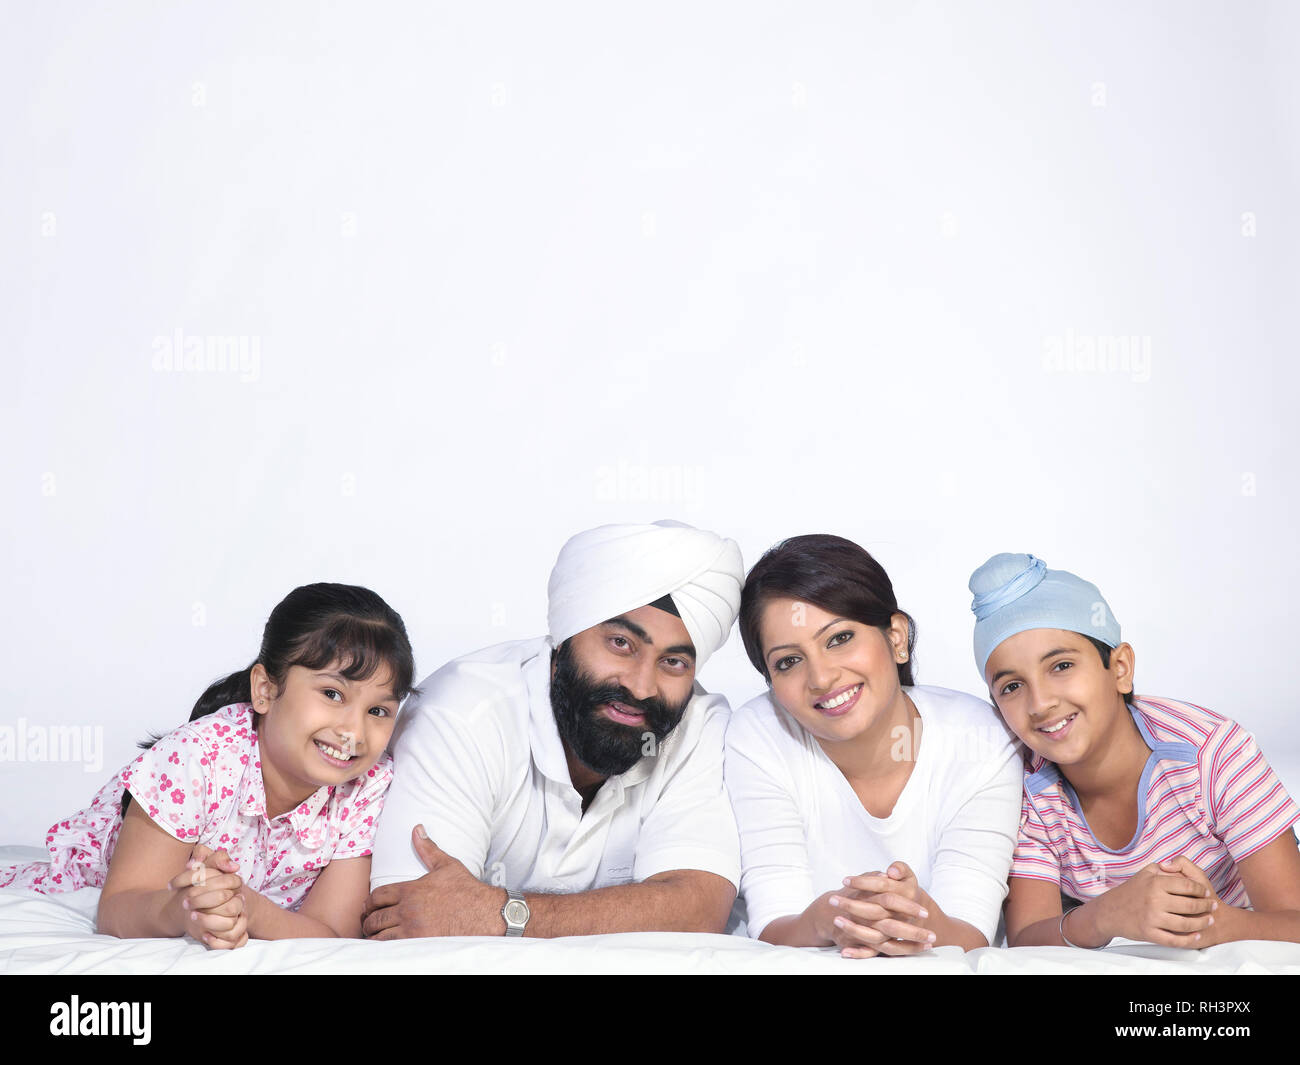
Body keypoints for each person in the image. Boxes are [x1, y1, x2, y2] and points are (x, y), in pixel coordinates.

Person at [363, 519, 745, 939]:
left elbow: (698, 910)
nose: (640, 687)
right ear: (564, 638)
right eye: (621, 644)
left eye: (673, 662)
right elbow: (414, 920)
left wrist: (499, 913)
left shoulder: (698, 726)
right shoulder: (461, 711)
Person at [0, 583, 416, 949]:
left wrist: (251, 909)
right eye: (332, 694)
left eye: (378, 710)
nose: (353, 732)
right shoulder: (197, 758)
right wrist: (182, 909)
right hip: (106, 887)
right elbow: (117, 908)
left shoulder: (366, 786)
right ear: (265, 689)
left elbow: (333, 934)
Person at [969, 552, 1300, 949]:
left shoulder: (1210, 754)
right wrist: (1106, 915)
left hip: (1243, 927)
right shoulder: (1025, 787)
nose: (1040, 703)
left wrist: (1214, 926)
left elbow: (1294, 921)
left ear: (1120, 668)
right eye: (1012, 687)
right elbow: (1026, 938)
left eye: (1061, 666)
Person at [725, 534, 1021, 958]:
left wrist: (915, 917)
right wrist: (829, 919)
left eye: (839, 638)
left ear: (896, 637)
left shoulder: (980, 738)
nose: (821, 678)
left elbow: (971, 932)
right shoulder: (758, 734)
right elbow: (773, 925)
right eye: (789, 661)